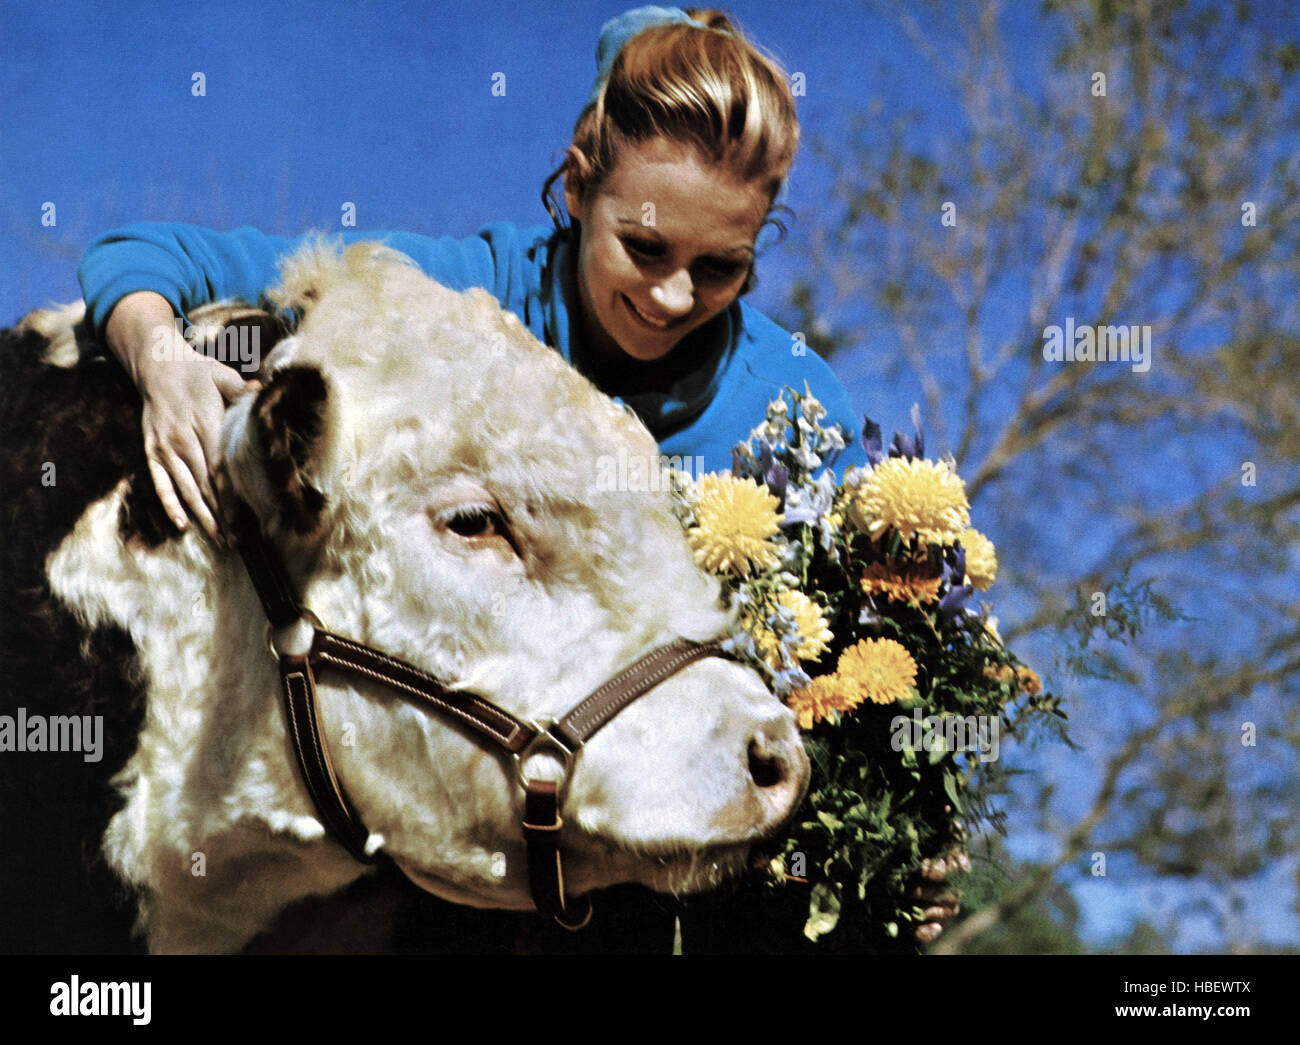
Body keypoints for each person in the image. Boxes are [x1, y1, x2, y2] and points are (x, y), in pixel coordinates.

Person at [78, 5, 959, 951]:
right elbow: (147, 257)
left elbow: (880, 647)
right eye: (645, 248)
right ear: (577, 189)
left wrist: (912, 813)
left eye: (721, 269)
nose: (672, 298)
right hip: (482, 833)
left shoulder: (796, 408)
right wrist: (161, 358)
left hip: (678, 830)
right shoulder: (459, 309)